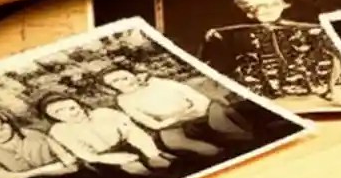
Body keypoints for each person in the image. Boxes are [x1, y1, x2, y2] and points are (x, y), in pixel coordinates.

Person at [198, 0, 341, 103]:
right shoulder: (225, 35)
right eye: (259, 6)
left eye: (274, 4)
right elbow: (214, 68)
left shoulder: (312, 30)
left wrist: (330, 86)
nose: (268, 10)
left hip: (312, 95)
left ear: (283, 6)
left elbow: (339, 58)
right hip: (256, 98)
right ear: (246, 11)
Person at [96, 66, 253, 157]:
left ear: (133, 75)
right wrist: (171, 121)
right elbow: (148, 122)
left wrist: (194, 110)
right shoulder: (124, 100)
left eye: (124, 77)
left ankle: (248, 141)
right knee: (174, 142)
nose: (122, 83)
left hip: (199, 109)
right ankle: (217, 154)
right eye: (114, 82)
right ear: (111, 87)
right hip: (170, 121)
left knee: (220, 123)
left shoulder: (157, 83)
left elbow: (194, 97)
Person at [39, 94, 174, 178]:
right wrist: (112, 159)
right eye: (58, 112)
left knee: (163, 163)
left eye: (71, 108)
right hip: (100, 158)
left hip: (129, 145)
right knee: (137, 173)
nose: (69, 113)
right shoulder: (60, 130)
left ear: (79, 104)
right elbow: (85, 154)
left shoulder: (104, 113)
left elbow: (134, 133)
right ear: (52, 117)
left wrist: (152, 154)